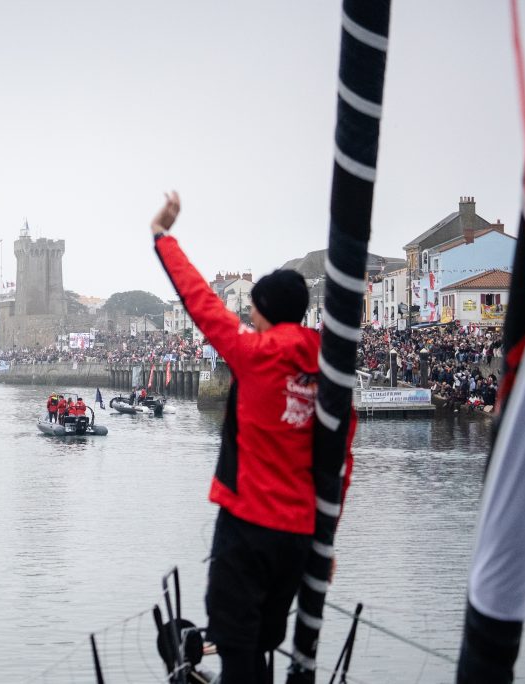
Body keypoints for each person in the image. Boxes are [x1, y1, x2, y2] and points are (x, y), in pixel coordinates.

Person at [151, 191, 353, 682]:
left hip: (246, 525)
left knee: (235, 638)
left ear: (262, 309)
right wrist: (325, 543)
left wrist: (162, 238)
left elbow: (198, 299)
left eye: (254, 308)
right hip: (301, 535)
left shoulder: (252, 350)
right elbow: (340, 465)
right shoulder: (332, 369)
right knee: (265, 637)